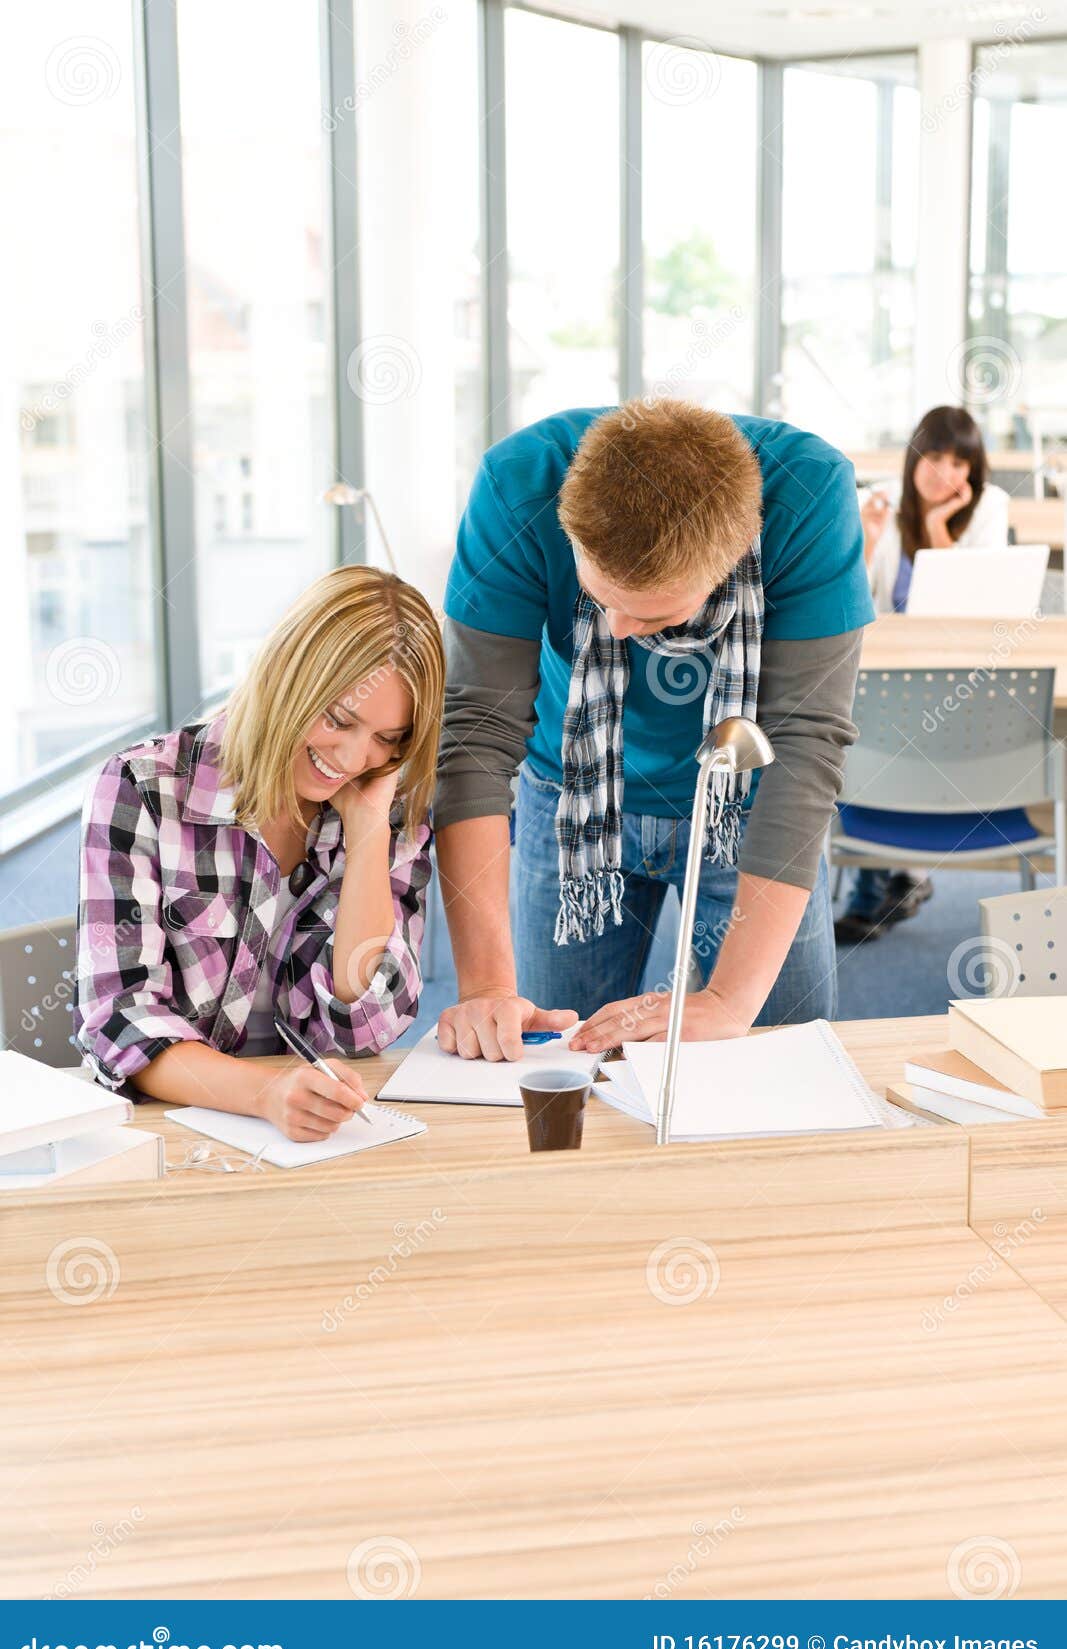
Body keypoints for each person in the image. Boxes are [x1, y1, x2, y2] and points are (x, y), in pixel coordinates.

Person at [433, 398, 874, 1061]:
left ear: (727, 565)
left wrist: (727, 1000)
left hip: (746, 808)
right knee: (562, 1059)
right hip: (572, 801)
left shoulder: (812, 492)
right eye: (601, 598)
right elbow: (475, 737)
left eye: (652, 615)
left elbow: (805, 744)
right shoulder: (515, 483)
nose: (614, 630)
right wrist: (487, 986)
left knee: (780, 1055)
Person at [74, 566, 444, 1141]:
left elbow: (361, 1026)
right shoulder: (141, 787)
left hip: (315, 1136)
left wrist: (369, 833)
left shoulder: (383, 802)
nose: (353, 757)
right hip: (161, 1131)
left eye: (387, 738)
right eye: (340, 720)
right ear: (287, 678)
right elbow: (120, 1020)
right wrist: (268, 1094)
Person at [835, 405, 1010, 943]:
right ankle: (886, 883)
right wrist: (864, 538)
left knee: (881, 731)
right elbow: (850, 606)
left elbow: (968, 611)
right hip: (889, 678)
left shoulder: (989, 508)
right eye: (935, 458)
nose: (947, 474)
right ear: (915, 457)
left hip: (964, 678)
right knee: (855, 729)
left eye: (961, 463)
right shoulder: (880, 503)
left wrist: (936, 529)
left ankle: (896, 878)